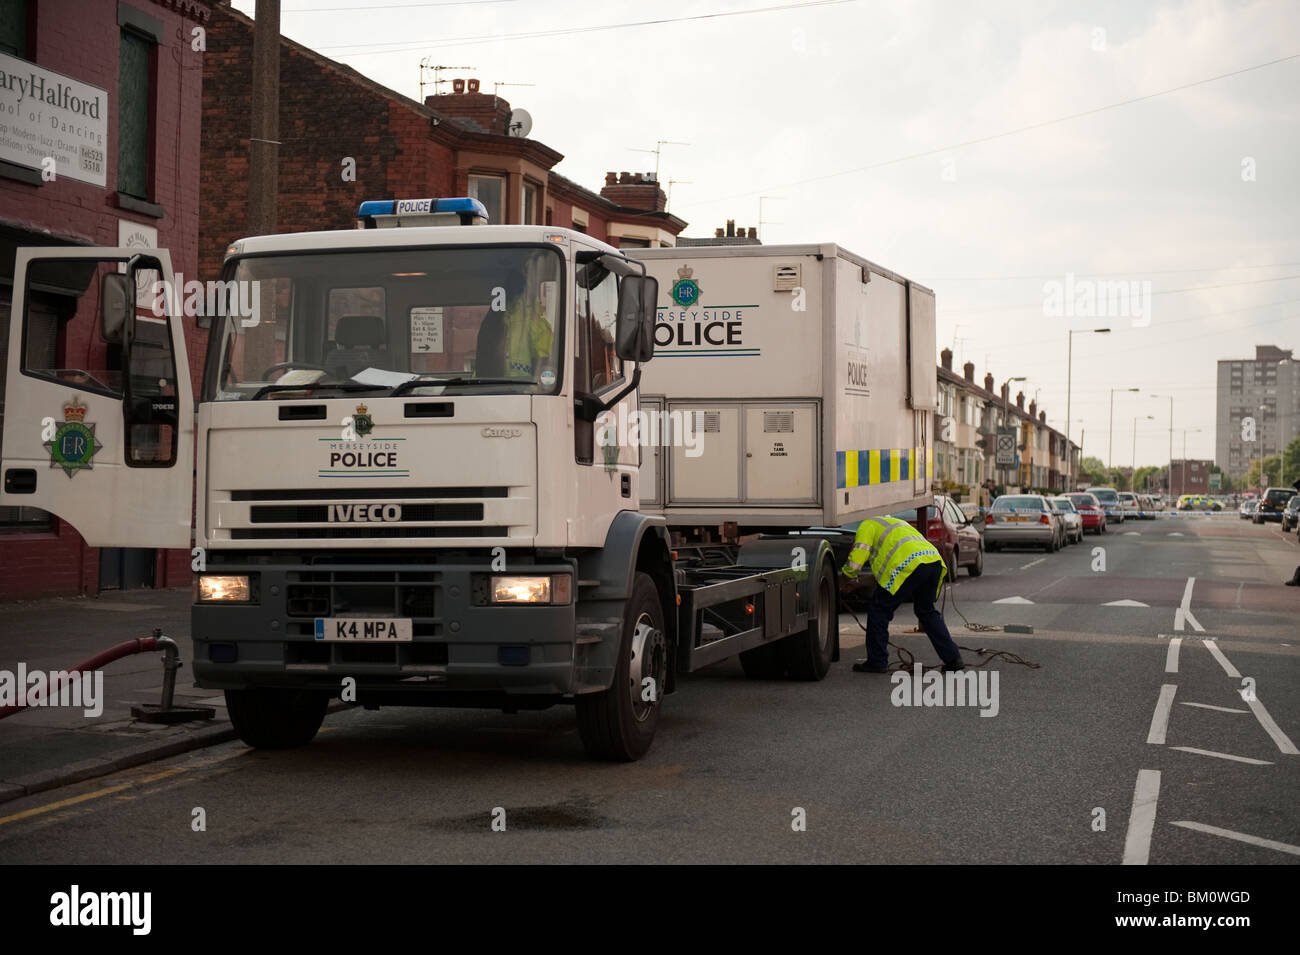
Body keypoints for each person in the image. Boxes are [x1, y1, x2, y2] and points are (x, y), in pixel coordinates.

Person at [839, 515, 965, 672]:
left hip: (909, 566)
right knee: (926, 611)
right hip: (933, 563)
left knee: (879, 609)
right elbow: (883, 575)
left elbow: (857, 559)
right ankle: (953, 659)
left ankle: (877, 661)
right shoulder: (895, 523)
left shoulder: (866, 525)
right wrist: (856, 584)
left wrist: (843, 579)